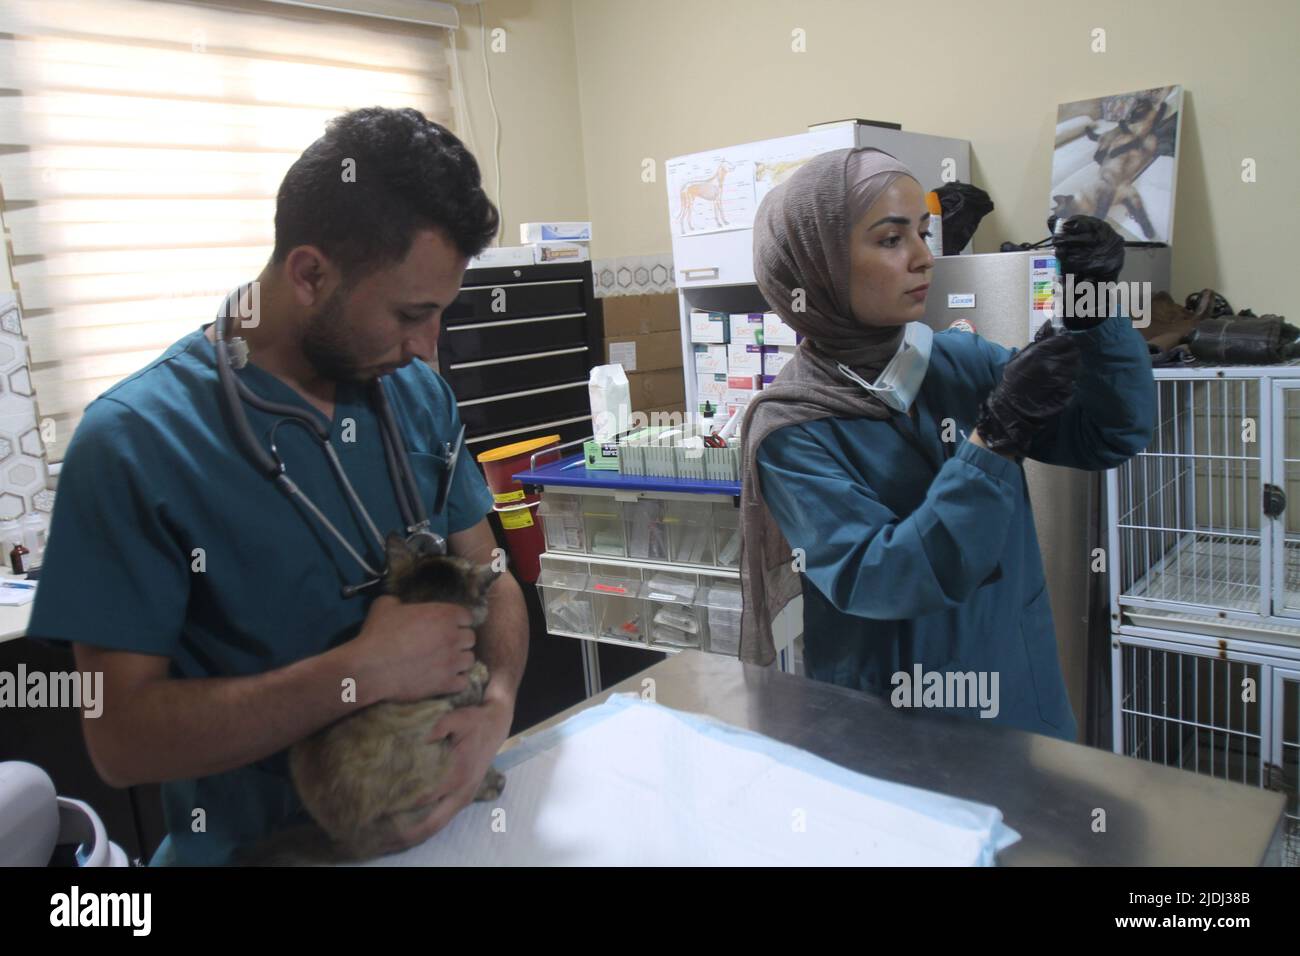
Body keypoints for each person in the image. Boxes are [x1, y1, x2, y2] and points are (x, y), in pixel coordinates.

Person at [27, 107, 529, 864]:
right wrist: (355, 674)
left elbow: (493, 577)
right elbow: (120, 739)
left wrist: (495, 706)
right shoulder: (134, 443)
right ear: (308, 273)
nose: (426, 347)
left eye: (440, 315)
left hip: (443, 830)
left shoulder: (418, 399)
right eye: (409, 313)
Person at [738, 147, 1154, 741]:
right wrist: (993, 440)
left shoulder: (958, 360)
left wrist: (1090, 313)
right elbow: (882, 575)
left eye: (925, 233)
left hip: (1014, 684)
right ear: (818, 265)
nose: (924, 258)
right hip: (892, 713)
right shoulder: (792, 429)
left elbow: (1105, 434)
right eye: (890, 239)